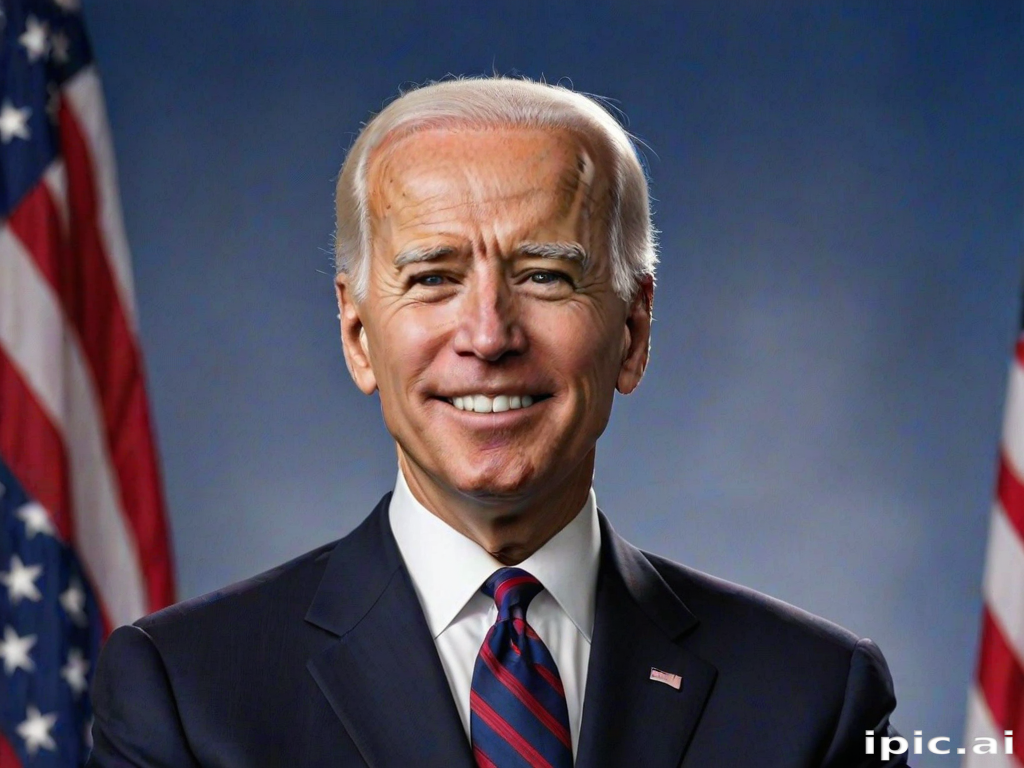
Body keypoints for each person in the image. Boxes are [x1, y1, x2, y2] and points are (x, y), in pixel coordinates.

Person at [87, 77, 907, 768]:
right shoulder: (185, 696)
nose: (487, 336)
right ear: (358, 336)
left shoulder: (817, 701)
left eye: (546, 276)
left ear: (633, 331)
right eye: (435, 278)